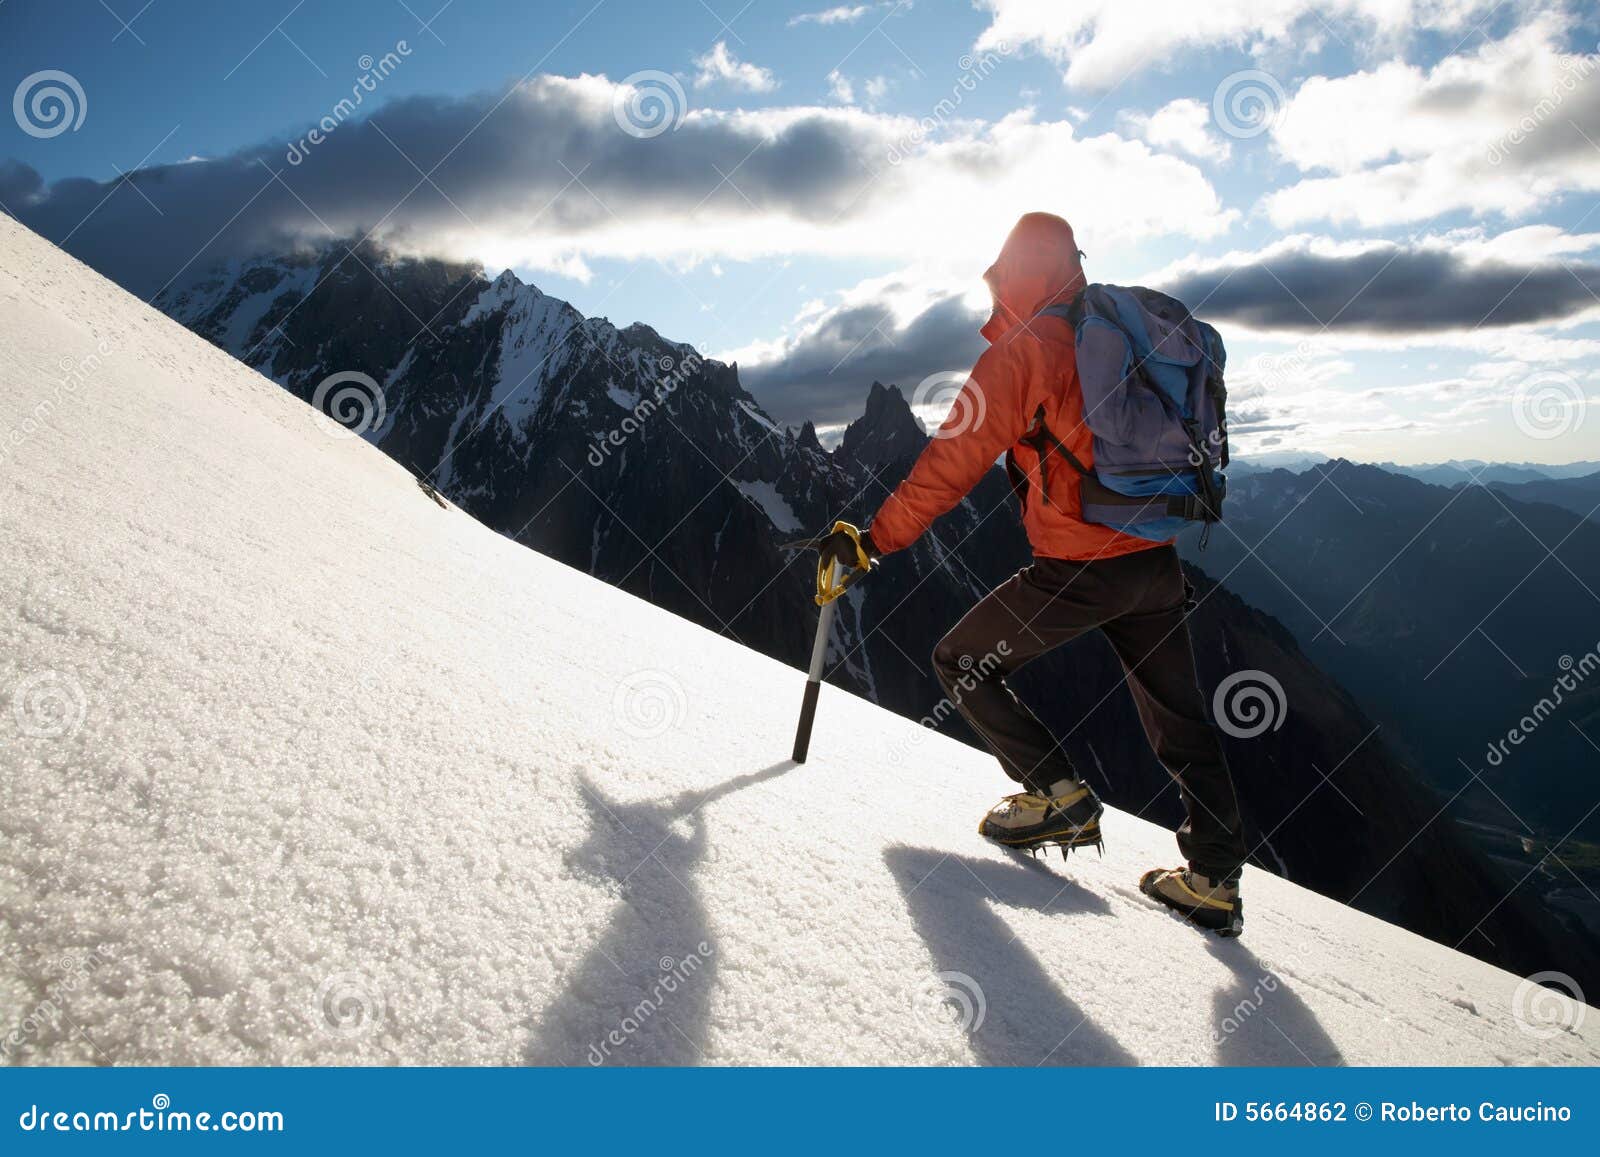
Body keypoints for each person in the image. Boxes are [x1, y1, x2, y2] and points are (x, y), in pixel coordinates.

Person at [815, 212, 1248, 936]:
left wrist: (874, 540)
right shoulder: (1111, 328)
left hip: (1081, 566)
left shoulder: (1025, 352)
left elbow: (950, 463)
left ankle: (1056, 792)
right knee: (1180, 717)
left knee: (959, 659)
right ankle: (1214, 879)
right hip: (1154, 557)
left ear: (1014, 272)